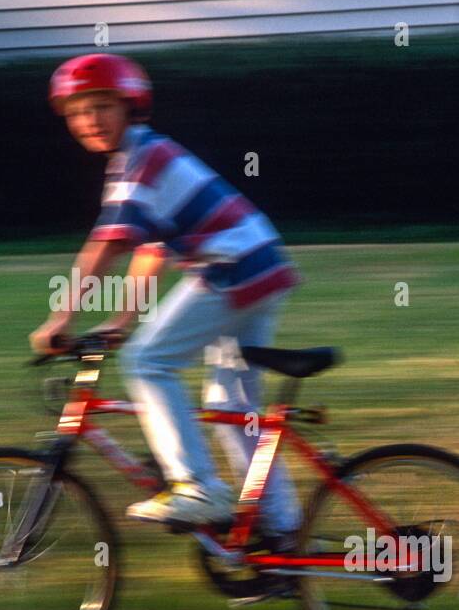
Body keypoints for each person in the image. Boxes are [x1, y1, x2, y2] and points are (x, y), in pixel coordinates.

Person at [29, 53, 301, 546]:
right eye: (77, 111)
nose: (90, 119)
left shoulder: (140, 160)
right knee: (233, 406)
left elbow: (106, 245)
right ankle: (282, 534)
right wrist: (122, 318)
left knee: (147, 362)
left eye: (103, 106)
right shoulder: (141, 158)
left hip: (233, 270)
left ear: (130, 106)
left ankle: (197, 487)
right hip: (261, 267)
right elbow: (151, 250)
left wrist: (59, 318)